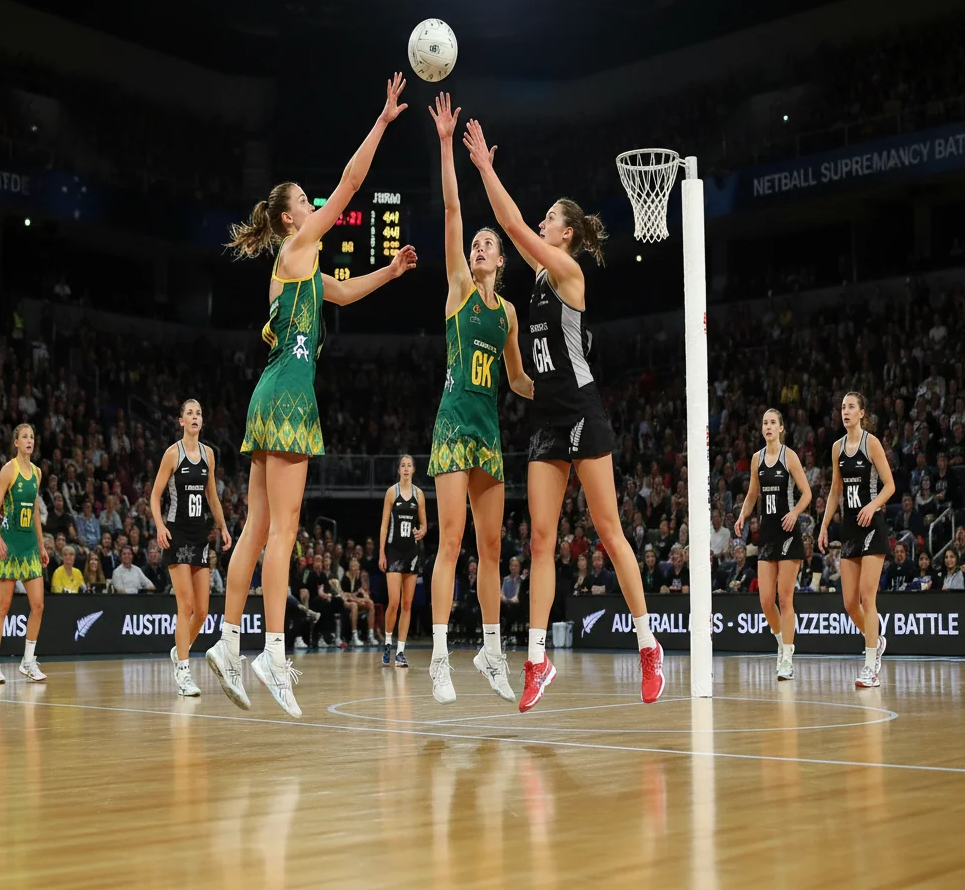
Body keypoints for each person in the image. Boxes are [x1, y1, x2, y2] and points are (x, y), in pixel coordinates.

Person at [203, 75, 416, 716]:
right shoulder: (296, 245)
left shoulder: (300, 270)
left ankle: (225, 640)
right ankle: (270, 650)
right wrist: (380, 122)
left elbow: (346, 294)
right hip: (290, 396)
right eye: (306, 198)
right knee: (283, 530)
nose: (315, 201)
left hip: (270, 391)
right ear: (293, 216)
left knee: (258, 529)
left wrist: (393, 270)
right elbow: (350, 185)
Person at [463, 116, 665, 711]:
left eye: (551, 217)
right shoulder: (534, 286)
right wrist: (514, 386)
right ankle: (536, 659)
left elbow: (510, 224)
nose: (542, 222)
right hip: (547, 415)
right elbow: (527, 375)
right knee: (542, 540)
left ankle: (648, 646)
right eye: (544, 217)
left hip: (583, 410)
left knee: (608, 529)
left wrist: (484, 168)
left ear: (568, 233)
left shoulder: (570, 274)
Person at [425, 93, 533, 707]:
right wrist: (447, 145)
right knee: (449, 543)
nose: (479, 247)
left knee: (491, 548)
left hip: (489, 431)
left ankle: (492, 650)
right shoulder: (460, 291)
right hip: (451, 425)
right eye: (477, 243)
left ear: (501, 259)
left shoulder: (509, 313)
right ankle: (439, 656)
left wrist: (554, 390)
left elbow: (517, 381)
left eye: (488, 244)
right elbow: (451, 208)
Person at [151, 399, 232, 696]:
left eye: (199, 413)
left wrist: (222, 526)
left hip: (200, 537)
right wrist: (160, 526)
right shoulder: (173, 454)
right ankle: (184, 672)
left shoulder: (209, 454)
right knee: (184, 606)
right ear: (181, 421)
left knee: (202, 612)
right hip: (177, 535)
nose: (195, 417)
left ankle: (179, 650)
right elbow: (155, 495)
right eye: (190, 413)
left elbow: (212, 496)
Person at [819, 392, 896, 688]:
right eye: (842, 407)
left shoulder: (871, 443)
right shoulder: (837, 447)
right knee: (850, 603)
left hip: (872, 526)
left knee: (867, 596)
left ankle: (870, 666)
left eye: (851, 407)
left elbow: (890, 485)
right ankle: (876, 640)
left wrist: (873, 505)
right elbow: (835, 491)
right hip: (850, 528)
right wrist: (825, 525)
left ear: (862, 413)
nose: (845, 411)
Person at [735, 409, 812, 680]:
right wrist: (743, 515)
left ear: (781, 428)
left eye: (773, 423)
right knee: (766, 600)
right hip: (767, 535)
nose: (768, 427)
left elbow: (807, 493)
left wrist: (794, 513)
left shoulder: (788, 456)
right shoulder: (756, 459)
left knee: (785, 597)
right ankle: (782, 645)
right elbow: (752, 494)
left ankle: (788, 657)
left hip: (788, 534)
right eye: (765, 423)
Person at [0, 424, 49, 683]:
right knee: (3, 607)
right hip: (9, 546)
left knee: (38, 605)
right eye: (24, 437)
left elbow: (35, 510)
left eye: (32, 437)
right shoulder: (8, 470)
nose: (29, 441)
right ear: (15, 442)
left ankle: (28, 661)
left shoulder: (36, 472)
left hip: (29, 547)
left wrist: (42, 544)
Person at [379, 454, 427, 667]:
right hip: (393, 552)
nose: (406, 469)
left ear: (413, 470)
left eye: (409, 466)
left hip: (412, 553)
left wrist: (422, 531)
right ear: (398, 470)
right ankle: (388, 641)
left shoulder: (419, 494)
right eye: (403, 466)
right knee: (394, 602)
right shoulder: (391, 492)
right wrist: (381, 553)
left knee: (407, 604)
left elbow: (424, 524)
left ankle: (400, 651)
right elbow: (383, 525)